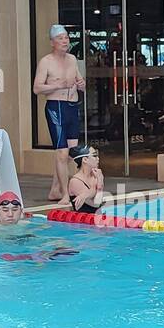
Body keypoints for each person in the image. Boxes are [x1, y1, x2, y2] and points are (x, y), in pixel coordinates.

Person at [33, 24, 86, 201]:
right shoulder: (46, 62)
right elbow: (37, 88)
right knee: (61, 153)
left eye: (66, 38)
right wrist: (57, 85)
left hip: (72, 107)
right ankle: (64, 193)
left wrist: (81, 85)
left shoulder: (72, 59)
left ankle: (55, 189)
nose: (65, 41)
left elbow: (81, 81)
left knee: (70, 153)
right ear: (52, 42)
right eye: (60, 38)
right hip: (56, 108)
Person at [67, 145, 105, 214]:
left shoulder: (95, 175)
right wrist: (99, 184)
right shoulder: (75, 181)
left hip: (95, 219)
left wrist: (86, 194)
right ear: (85, 159)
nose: (98, 158)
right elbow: (96, 204)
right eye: (94, 155)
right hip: (82, 222)